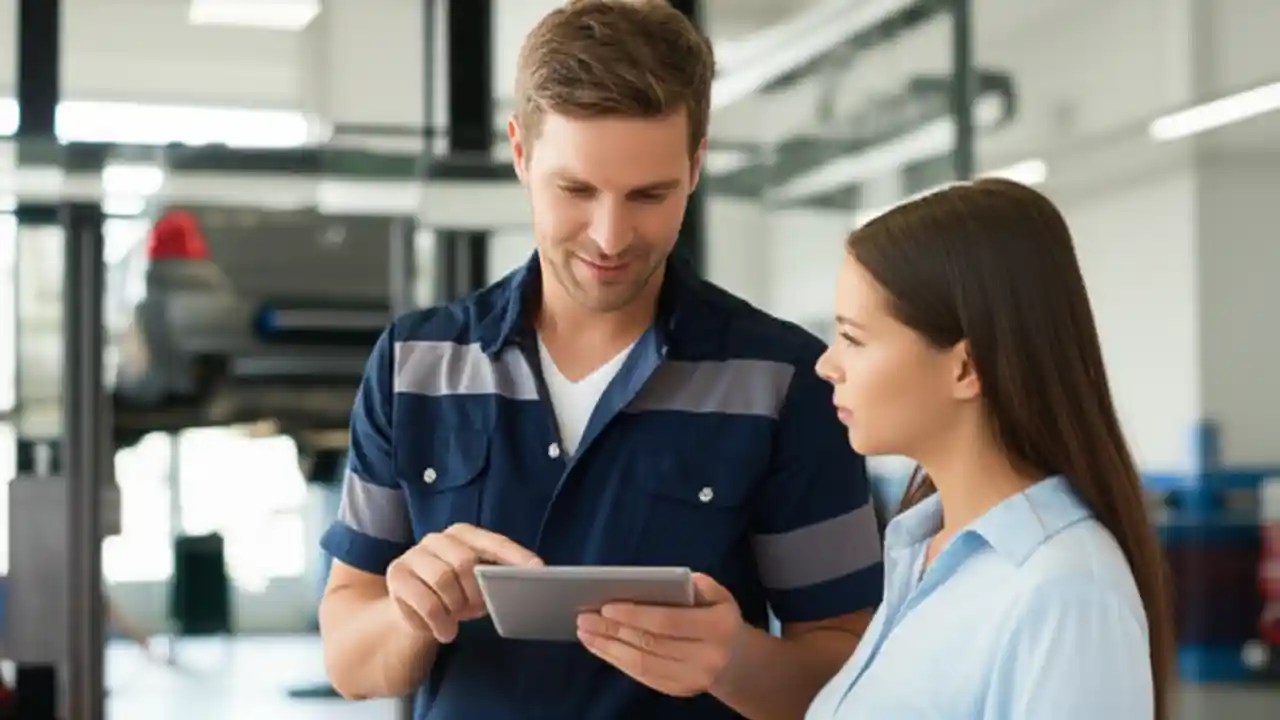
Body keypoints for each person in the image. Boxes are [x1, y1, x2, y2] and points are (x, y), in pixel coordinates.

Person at [316, 1, 884, 718]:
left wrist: (735, 660)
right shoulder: (413, 366)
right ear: (520, 153)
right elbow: (348, 657)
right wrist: (411, 611)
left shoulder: (786, 382)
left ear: (696, 163)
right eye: (576, 190)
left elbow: (854, 671)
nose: (611, 237)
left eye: (649, 195)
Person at [807, 178, 1174, 719]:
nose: (827, 364)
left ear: (966, 367)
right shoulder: (920, 549)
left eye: (854, 339)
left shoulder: (1066, 592)